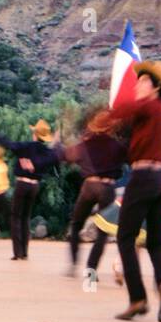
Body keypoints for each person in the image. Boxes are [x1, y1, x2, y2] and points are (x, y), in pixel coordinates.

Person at [105, 62, 161, 322]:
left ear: (155, 87)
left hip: (144, 177)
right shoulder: (159, 115)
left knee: (126, 237)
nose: (137, 86)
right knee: (156, 241)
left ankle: (138, 300)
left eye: (142, 82)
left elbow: (122, 110)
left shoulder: (150, 106)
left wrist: (111, 109)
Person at [63, 107, 127, 277]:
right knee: (102, 233)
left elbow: (66, 156)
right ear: (111, 127)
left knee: (76, 225)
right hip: (107, 188)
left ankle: (73, 265)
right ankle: (91, 271)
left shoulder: (84, 145)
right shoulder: (118, 146)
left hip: (89, 186)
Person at [0, 119, 62, 261]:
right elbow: (55, 156)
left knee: (15, 217)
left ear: (34, 134)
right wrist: (55, 144)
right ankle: (25, 253)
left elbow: (9, 144)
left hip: (22, 185)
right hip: (34, 186)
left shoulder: (26, 146)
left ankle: (17, 253)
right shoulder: (47, 152)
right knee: (26, 217)